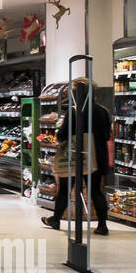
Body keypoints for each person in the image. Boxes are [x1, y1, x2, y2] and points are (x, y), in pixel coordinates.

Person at [42, 77, 112, 235]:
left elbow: (62, 135)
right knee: (95, 191)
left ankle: (56, 219)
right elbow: (107, 135)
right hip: (98, 157)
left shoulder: (74, 111)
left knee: (65, 189)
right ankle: (102, 225)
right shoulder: (103, 111)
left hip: (74, 157)